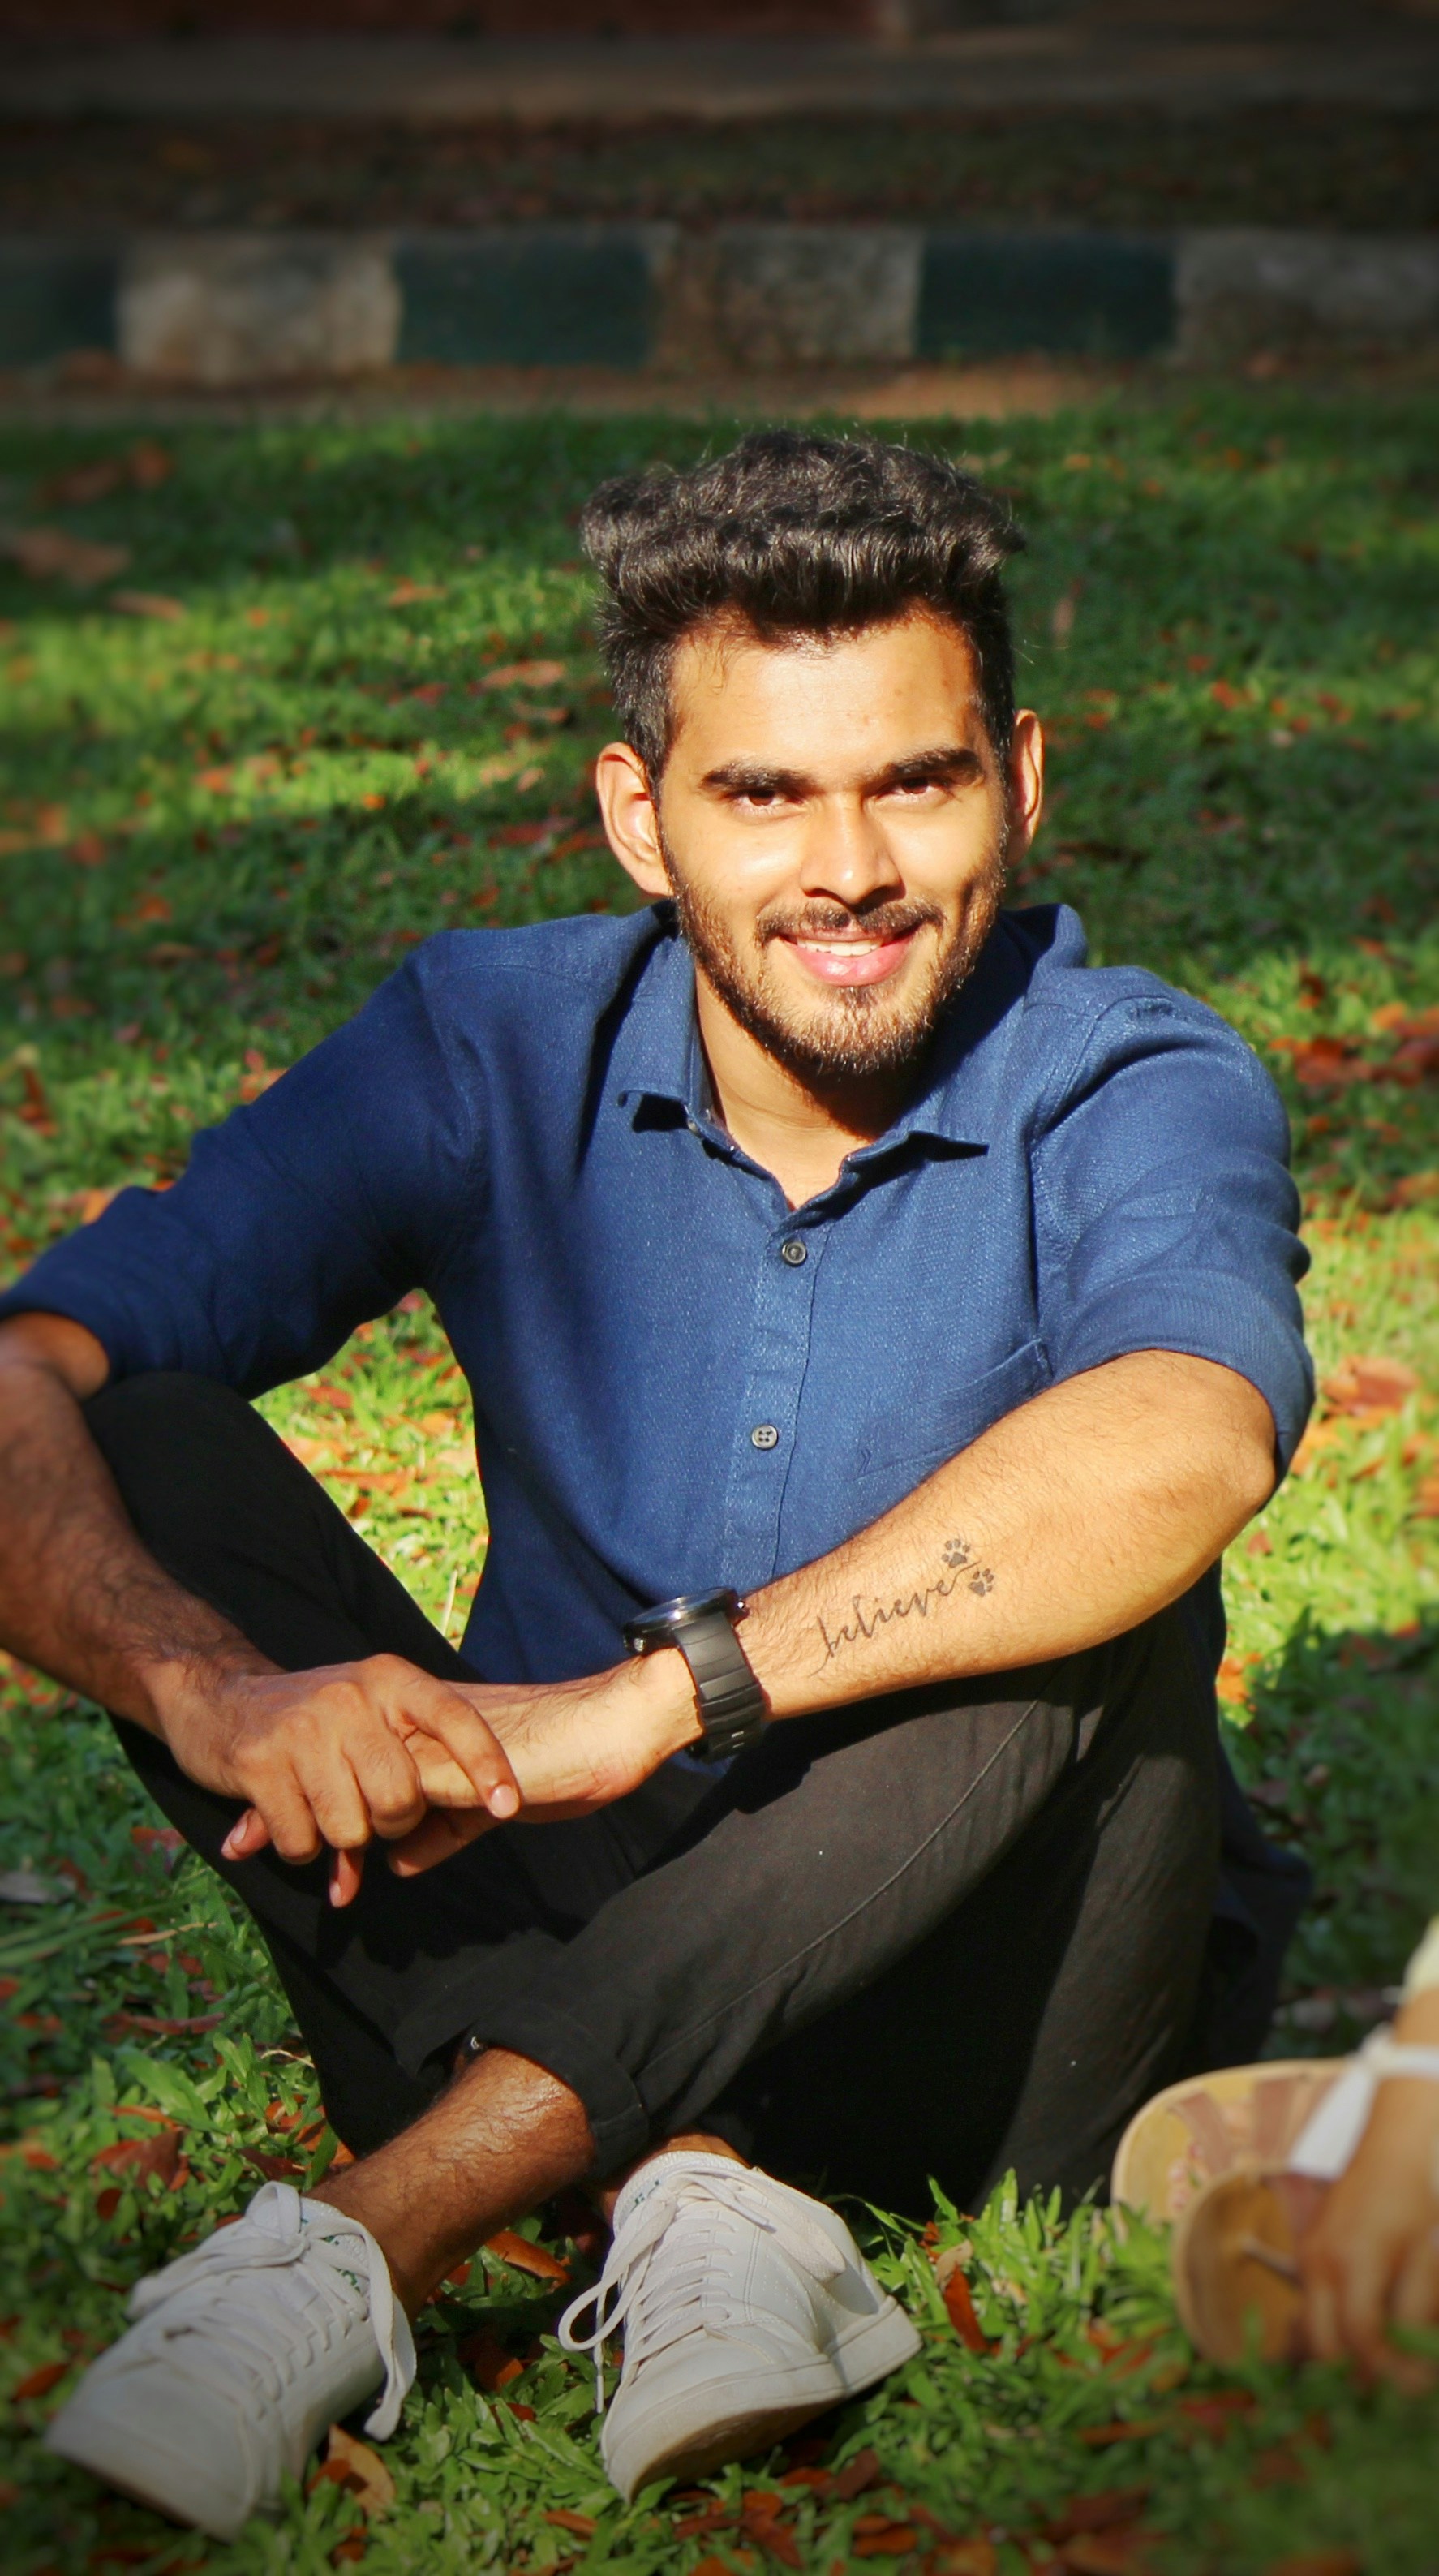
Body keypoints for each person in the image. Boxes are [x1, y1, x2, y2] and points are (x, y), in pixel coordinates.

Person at [0, 432, 1312, 2540]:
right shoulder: (484, 1040)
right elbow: (27, 1369)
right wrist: (206, 1697)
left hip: (969, 2029)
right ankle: (679, 2192)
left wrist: (650, 1702)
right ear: (640, 814)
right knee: (128, 1436)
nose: (853, 866)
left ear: (1024, 781)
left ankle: (377, 2230)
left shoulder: (1139, 1075)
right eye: (764, 790)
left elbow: (1184, 1436)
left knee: (1085, 1562)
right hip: (538, 1926)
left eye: (916, 779)